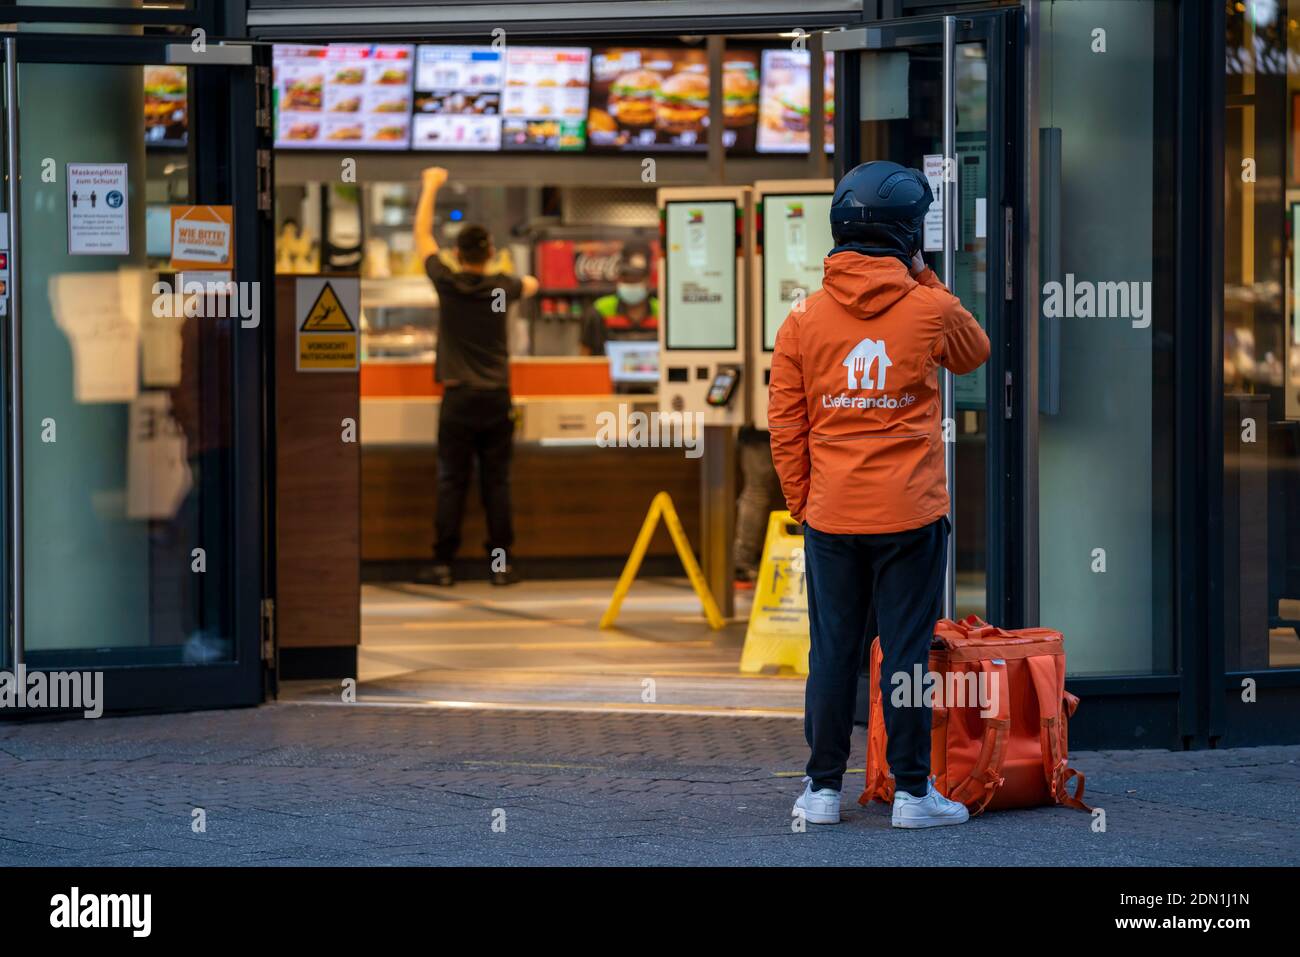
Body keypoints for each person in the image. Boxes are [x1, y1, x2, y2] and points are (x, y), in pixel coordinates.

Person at [768, 160, 990, 829]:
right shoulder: (932, 306)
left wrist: (806, 502)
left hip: (833, 517)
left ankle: (821, 789)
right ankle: (914, 793)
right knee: (905, 652)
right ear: (906, 234)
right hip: (910, 514)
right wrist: (922, 273)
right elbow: (974, 352)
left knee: (833, 649)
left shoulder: (802, 318)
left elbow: (787, 425)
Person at [414, 166, 539, 587]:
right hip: (496, 398)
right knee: (496, 484)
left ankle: (442, 565)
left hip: (458, 398)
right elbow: (533, 283)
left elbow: (422, 239)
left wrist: (430, 186)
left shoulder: (448, 283)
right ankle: (501, 567)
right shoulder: (503, 287)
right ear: (489, 253)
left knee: (451, 481)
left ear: (458, 255)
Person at [579, 243, 658, 357]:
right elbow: (584, 356)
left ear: (647, 281)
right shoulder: (600, 310)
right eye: (626, 279)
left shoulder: (662, 312)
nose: (631, 284)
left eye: (636, 279)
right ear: (618, 280)